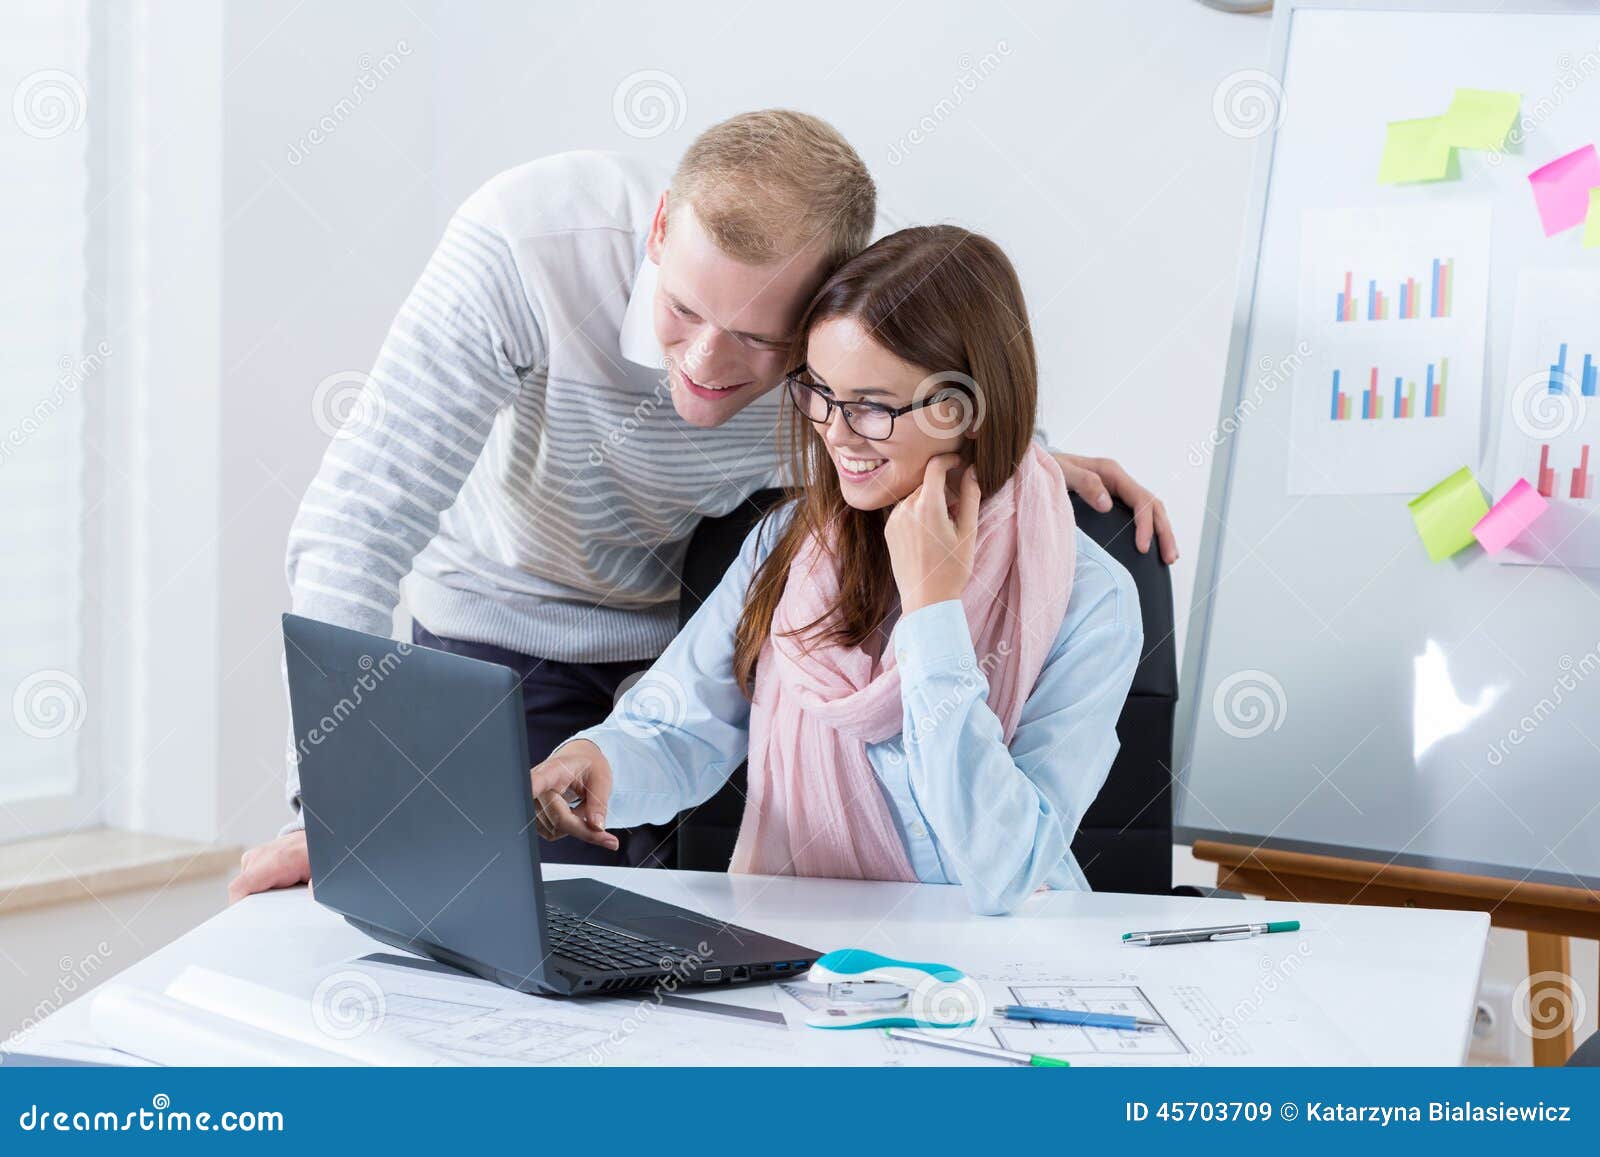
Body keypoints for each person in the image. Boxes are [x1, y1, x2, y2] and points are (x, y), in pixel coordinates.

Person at [229, 110, 1172, 904]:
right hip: (507, 619)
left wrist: (1022, 465)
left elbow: (916, 369)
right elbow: (360, 521)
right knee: (497, 907)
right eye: (683, 313)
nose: (709, 367)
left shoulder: (1075, 588)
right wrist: (335, 807)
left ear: (814, 317)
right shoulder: (531, 250)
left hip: (685, 634)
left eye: (763, 343)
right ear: (658, 230)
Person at [528, 225, 1142, 916]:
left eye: (872, 407)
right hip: (799, 950)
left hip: (995, 966)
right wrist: (599, 762)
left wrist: (935, 616)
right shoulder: (787, 546)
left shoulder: (1092, 600)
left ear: (967, 409)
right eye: (818, 392)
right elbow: (676, 728)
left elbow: (1008, 867)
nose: (835, 432)